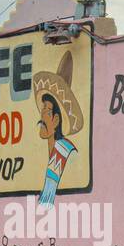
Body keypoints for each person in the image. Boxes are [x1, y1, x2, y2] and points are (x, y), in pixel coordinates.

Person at [32, 50, 84, 207]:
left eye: (46, 111)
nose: (41, 117)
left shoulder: (66, 152)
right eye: (42, 110)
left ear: (55, 120)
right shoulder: (50, 154)